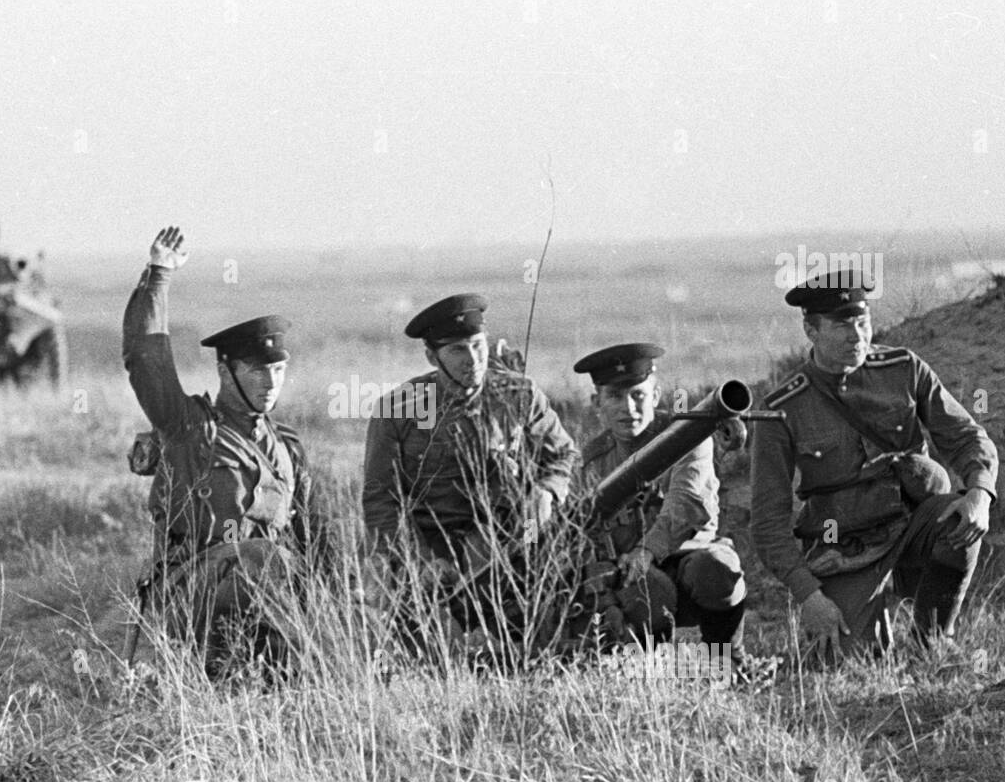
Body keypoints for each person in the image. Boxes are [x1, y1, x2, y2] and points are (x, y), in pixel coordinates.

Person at [750, 268, 998, 661]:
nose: (857, 335)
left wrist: (981, 493)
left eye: (863, 322)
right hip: (844, 544)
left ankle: (933, 640)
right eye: (841, 325)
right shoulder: (782, 408)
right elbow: (767, 523)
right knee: (849, 661)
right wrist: (808, 595)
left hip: (913, 524)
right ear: (811, 331)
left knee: (959, 521)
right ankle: (864, 613)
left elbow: (968, 437)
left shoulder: (903, 369)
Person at [121, 225, 320, 674]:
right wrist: (159, 275)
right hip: (190, 591)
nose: (271, 383)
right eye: (256, 371)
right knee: (260, 556)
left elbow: (311, 535)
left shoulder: (286, 445)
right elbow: (145, 358)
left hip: (269, 594)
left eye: (279, 370)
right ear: (226, 372)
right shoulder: (188, 426)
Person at [361, 293, 578, 650]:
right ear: (433, 357)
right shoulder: (400, 409)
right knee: (426, 641)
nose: (473, 360)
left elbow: (563, 454)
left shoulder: (519, 395)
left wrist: (547, 491)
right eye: (458, 351)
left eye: (478, 346)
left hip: (506, 541)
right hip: (429, 545)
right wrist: (418, 561)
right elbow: (380, 500)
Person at [573, 343, 770, 681]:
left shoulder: (685, 436)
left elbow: (688, 501)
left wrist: (648, 550)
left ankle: (725, 662)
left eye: (638, 395)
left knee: (718, 570)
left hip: (686, 558)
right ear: (597, 405)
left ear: (656, 394)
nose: (628, 408)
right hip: (635, 578)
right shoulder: (591, 462)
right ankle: (654, 674)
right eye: (615, 397)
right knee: (649, 591)